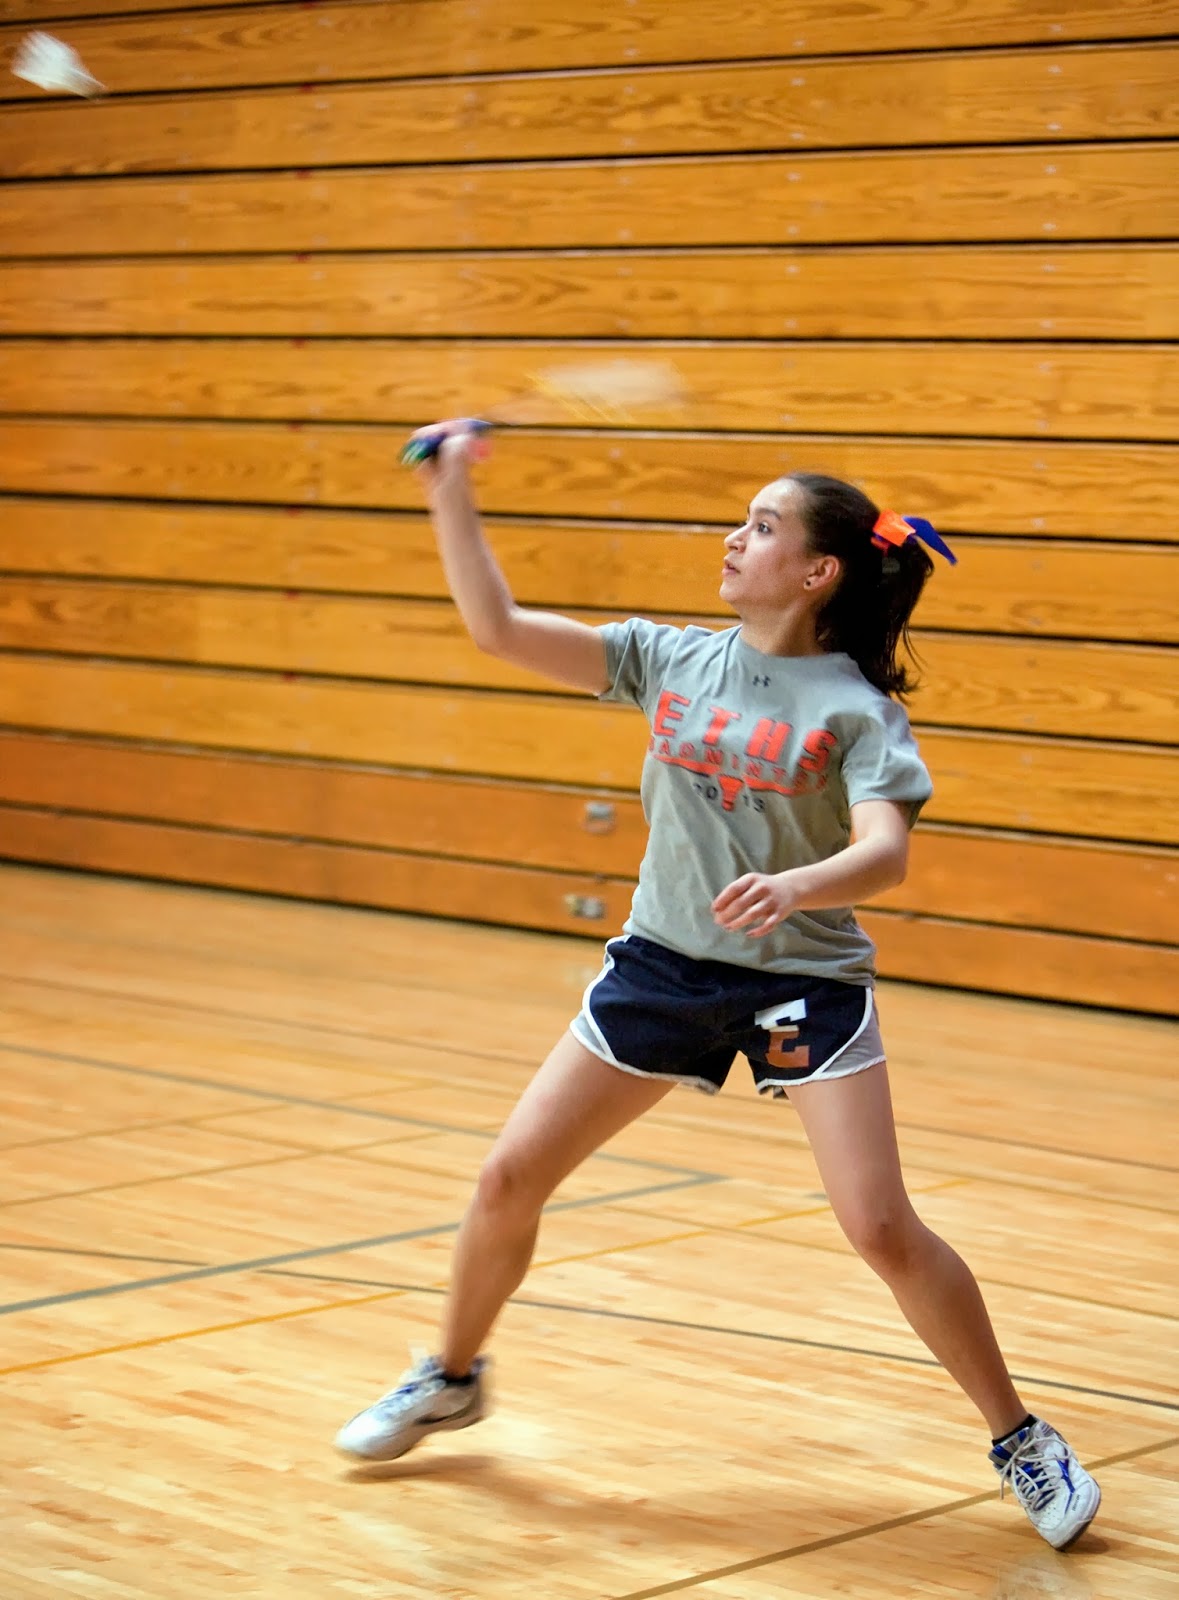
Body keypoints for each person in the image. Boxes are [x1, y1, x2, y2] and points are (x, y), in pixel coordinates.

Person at [335, 421, 1101, 1552]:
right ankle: (450, 1374)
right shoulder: (667, 657)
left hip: (799, 983)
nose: (732, 540)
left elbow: (886, 853)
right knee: (509, 1175)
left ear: (817, 570)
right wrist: (450, 490)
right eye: (740, 522)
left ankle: (1022, 1436)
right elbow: (495, 628)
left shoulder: (856, 709)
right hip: (663, 969)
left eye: (760, 526)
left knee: (881, 1226)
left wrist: (799, 884)